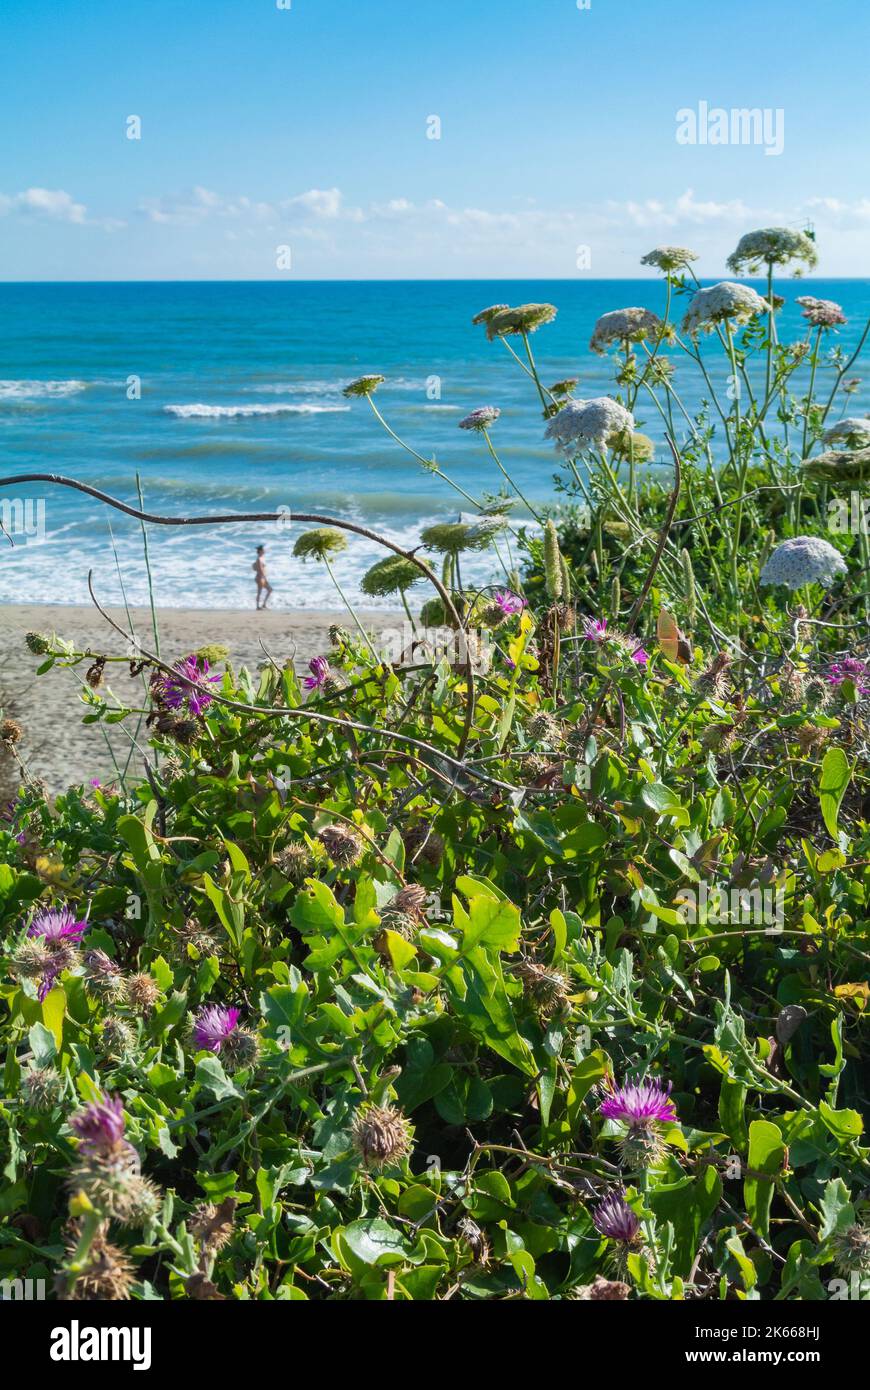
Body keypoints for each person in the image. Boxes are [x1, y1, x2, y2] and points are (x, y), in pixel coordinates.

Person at [253, 544, 273, 610]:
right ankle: (258, 606)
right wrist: (264, 578)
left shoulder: (261, 558)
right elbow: (260, 570)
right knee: (260, 591)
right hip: (260, 578)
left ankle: (263, 604)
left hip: (261, 577)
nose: (264, 550)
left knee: (270, 590)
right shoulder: (259, 559)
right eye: (263, 550)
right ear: (261, 551)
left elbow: (255, 568)